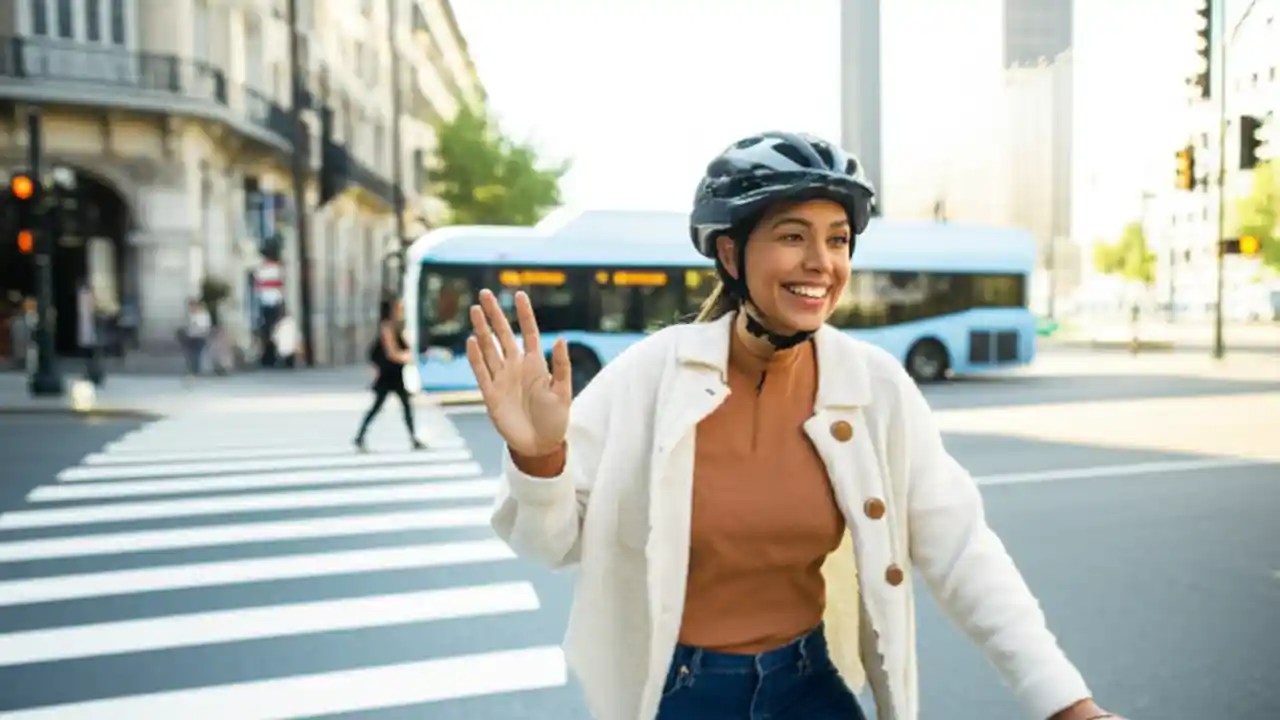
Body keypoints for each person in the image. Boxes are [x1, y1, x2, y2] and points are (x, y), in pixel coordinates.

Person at [468, 132, 1127, 720]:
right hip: (681, 692)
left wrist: (1066, 704)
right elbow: (550, 544)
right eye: (792, 236)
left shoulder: (874, 385)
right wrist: (541, 458)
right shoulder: (648, 377)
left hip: (807, 682)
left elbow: (962, 550)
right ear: (730, 253)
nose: (822, 262)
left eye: (837, 239)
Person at [354, 298, 425, 452]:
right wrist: (407, 358)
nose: (402, 311)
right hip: (388, 375)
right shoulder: (387, 328)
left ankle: (413, 438)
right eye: (399, 308)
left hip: (396, 374)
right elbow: (392, 353)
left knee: (405, 406)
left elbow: (406, 348)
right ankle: (359, 437)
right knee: (377, 407)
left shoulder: (398, 327)